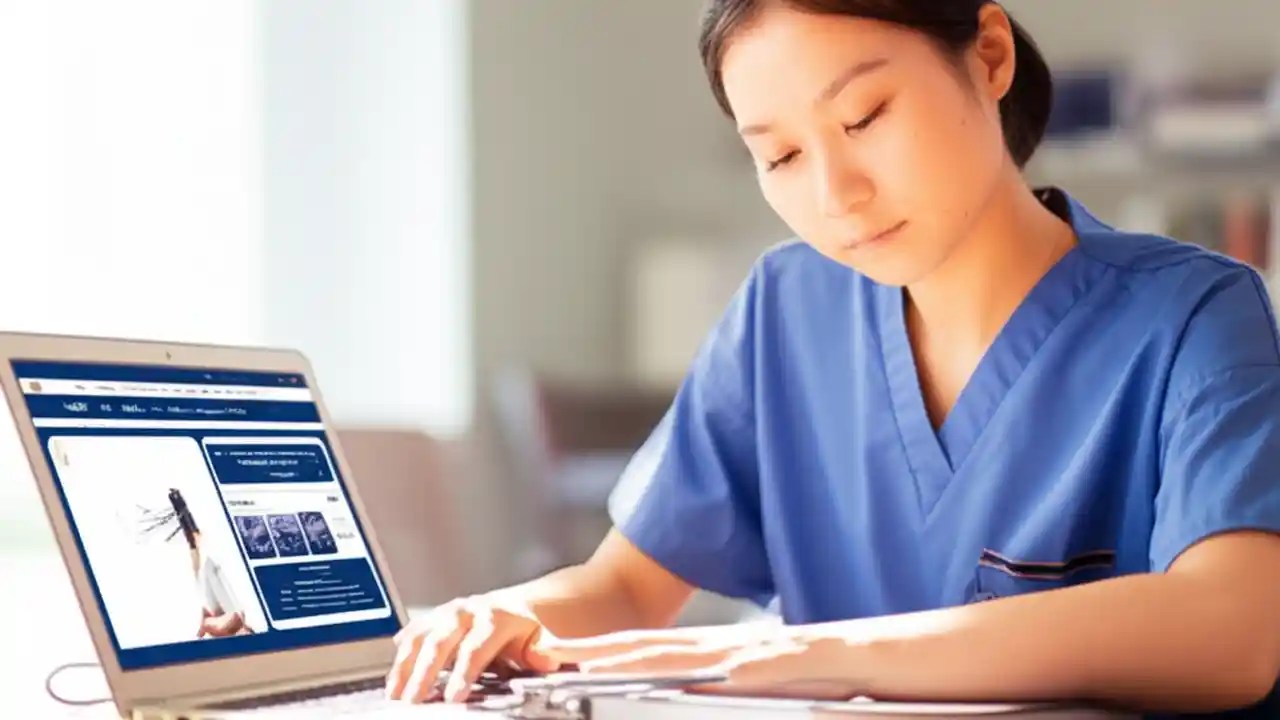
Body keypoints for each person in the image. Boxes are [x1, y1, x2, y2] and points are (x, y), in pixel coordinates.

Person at [387, 1, 1280, 715]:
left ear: (989, 55)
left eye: (865, 116)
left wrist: (820, 654)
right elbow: (625, 586)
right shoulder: (785, 310)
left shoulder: (1195, 313)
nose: (835, 194)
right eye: (779, 156)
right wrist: (506, 616)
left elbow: (1233, 630)